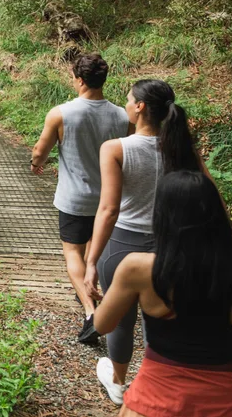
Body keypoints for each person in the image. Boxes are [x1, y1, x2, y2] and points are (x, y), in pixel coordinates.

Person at [94, 171, 232, 417]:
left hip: (156, 403)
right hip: (230, 406)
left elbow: (103, 324)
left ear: (161, 215)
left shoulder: (139, 268)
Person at [82, 79, 204, 403]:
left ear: (140, 107)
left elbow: (108, 210)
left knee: (121, 320)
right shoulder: (181, 149)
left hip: (122, 246)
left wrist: (91, 261)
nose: (125, 104)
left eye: (128, 100)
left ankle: (119, 384)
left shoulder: (116, 148)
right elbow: (205, 194)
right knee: (161, 319)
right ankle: (158, 385)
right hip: (169, 245)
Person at [31, 52, 130, 343]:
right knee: (93, 252)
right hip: (111, 200)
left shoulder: (62, 113)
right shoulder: (123, 115)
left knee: (73, 252)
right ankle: (92, 290)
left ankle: (90, 311)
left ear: (79, 80)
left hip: (74, 199)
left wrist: (36, 164)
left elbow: (40, 150)